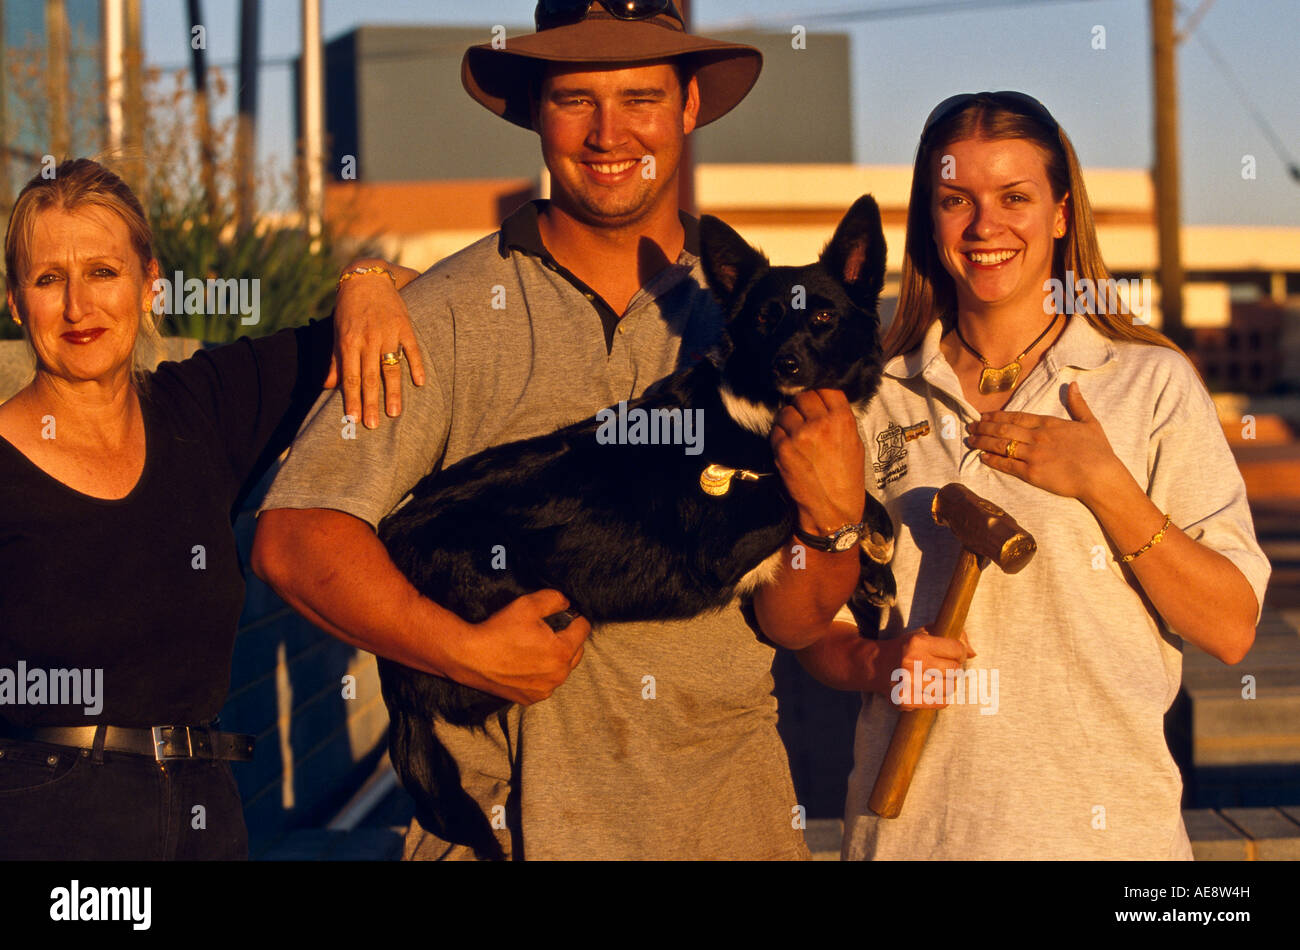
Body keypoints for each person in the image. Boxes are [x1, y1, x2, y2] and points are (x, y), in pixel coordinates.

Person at [252, 0, 868, 860]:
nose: (609, 132)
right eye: (577, 98)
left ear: (689, 107)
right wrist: (461, 651)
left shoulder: (761, 318)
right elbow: (296, 537)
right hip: (504, 835)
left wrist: (834, 521)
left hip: (728, 826)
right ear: (538, 111)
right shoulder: (446, 314)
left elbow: (792, 621)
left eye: (641, 98)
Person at [797, 91, 1271, 859]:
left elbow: (1231, 626)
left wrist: (1105, 485)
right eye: (956, 200)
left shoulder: (1147, 382)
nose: (986, 227)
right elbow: (817, 627)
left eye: (1015, 197)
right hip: (910, 840)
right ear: (927, 217)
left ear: (1058, 211)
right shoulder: (874, 398)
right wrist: (877, 662)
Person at [0, 158, 419, 859]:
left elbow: (418, 302)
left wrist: (367, 276)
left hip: (204, 813)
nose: (78, 307)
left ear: (149, 285)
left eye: (103, 272)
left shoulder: (204, 406)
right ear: (16, 301)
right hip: (49, 827)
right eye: (49, 279)